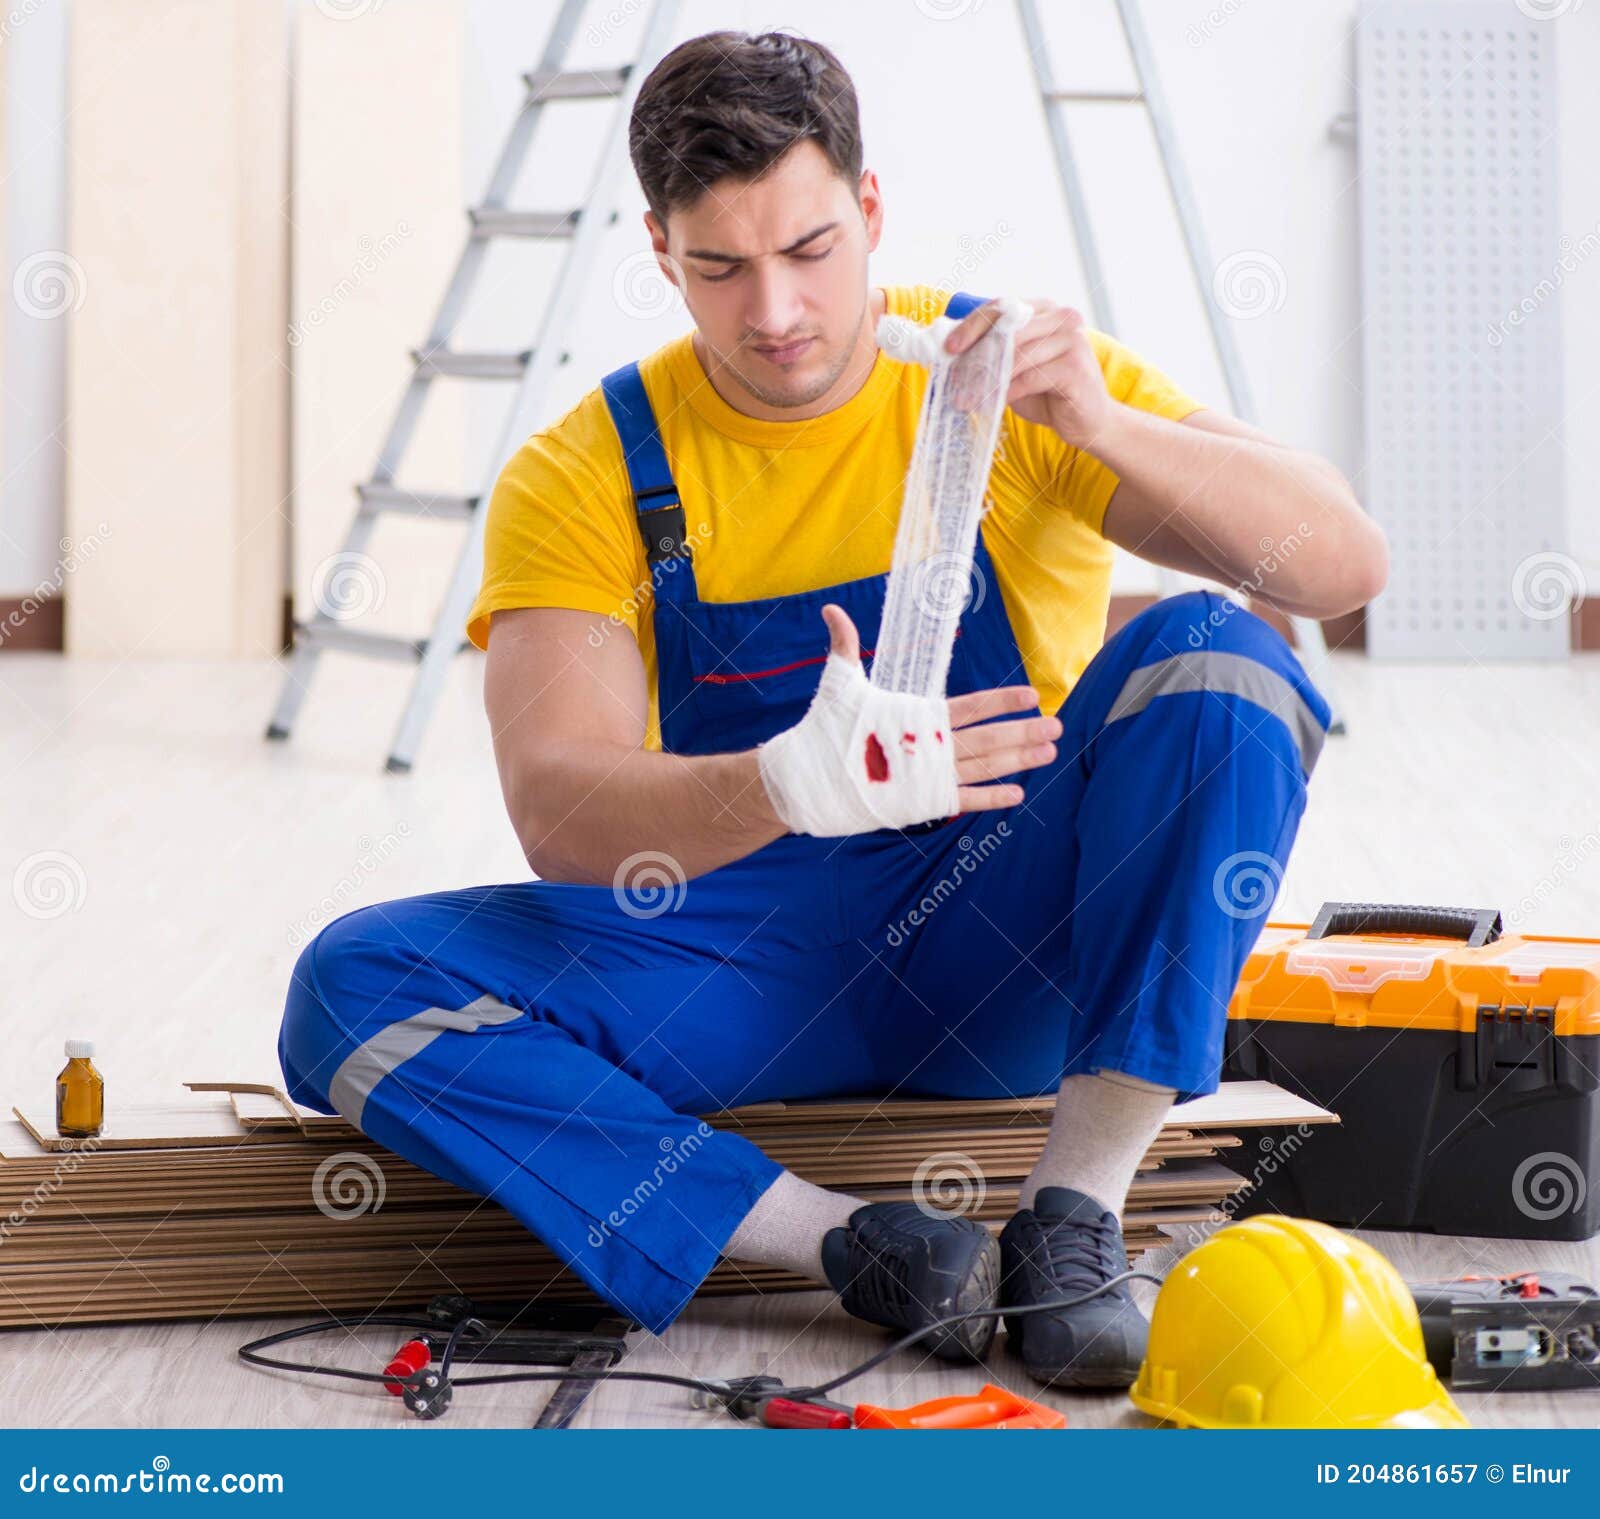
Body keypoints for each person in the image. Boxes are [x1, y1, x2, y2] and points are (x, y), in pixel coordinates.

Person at [278, 30, 1387, 1390]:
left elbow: (1340, 567)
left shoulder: (1005, 379)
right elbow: (562, 816)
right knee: (352, 983)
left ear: (868, 210)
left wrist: (1102, 423)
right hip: (748, 958)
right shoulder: (587, 471)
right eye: (721, 269)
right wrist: (783, 783)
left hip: (1009, 933)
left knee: (1218, 647)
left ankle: (1075, 1221)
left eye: (809, 250)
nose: (777, 313)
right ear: (660, 251)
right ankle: (861, 1248)